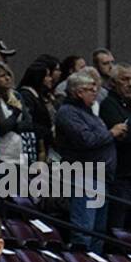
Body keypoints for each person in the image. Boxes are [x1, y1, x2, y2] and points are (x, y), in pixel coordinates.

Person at [54, 69, 114, 251]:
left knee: (98, 229)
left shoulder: (89, 113)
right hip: (83, 173)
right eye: (91, 89)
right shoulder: (68, 112)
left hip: (99, 175)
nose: (95, 92)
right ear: (79, 92)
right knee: (83, 227)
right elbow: (86, 139)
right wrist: (111, 133)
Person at [98, 63, 131, 233]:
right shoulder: (109, 104)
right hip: (121, 174)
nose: (130, 84)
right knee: (118, 224)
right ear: (113, 82)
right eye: (124, 79)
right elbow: (124, 136)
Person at [0, 61, 35, 182]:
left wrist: (12, 125)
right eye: (2, 76)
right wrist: (17, 113)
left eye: (8, 75)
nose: (7, 78)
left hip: (20, 152)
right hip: (2, 155)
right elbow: (2, 128)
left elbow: (29, 124)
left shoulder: (16, 96)